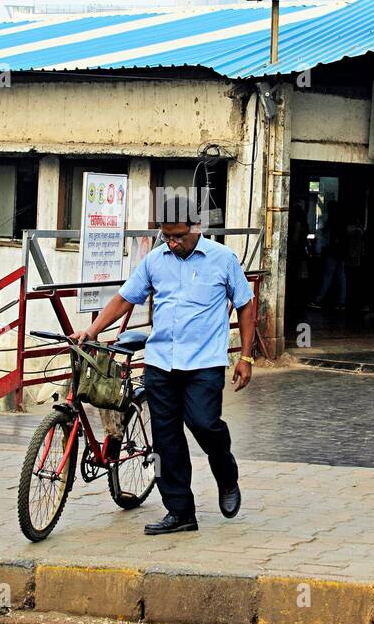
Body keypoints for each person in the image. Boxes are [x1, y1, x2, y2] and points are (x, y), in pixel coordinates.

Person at [73, 206, 256, 535]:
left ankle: (226, 475)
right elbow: (126, 298)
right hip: (161, 362)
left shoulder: (222, 258)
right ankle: (181, 511)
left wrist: (246, 357)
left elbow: (244, 304)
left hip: (204, 363)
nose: (172, 243)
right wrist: (93, 329)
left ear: (196, 228)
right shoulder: (155, 261)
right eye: (166, 236)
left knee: (203, 423)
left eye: (178, 236)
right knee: (166, 440)